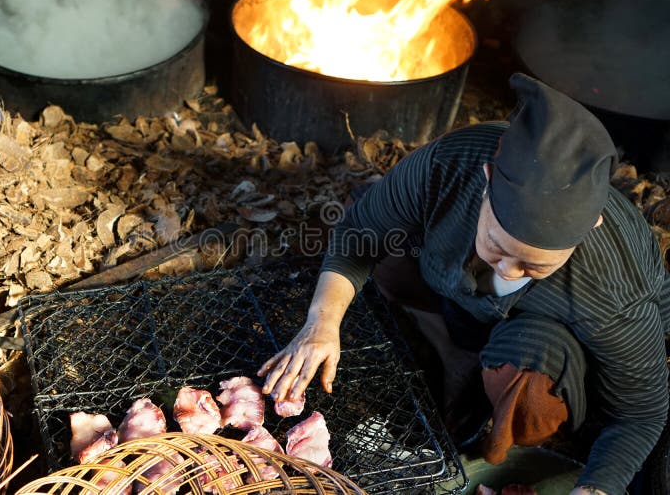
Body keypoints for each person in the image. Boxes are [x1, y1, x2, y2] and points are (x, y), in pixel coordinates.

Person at [258, 73, 670, 495]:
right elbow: (359, 232)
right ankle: (450, 348)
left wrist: (595, 490)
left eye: (532, 266)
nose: (509, 271)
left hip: (539, 330)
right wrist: (321, 323)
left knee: (531, 392)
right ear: (488, 179)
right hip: (451, 281)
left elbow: (641, 416)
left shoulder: (614, 293)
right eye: (498, 245)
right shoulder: (449, 165)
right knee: (377, 225)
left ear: (591, 228)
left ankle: (488, 391)